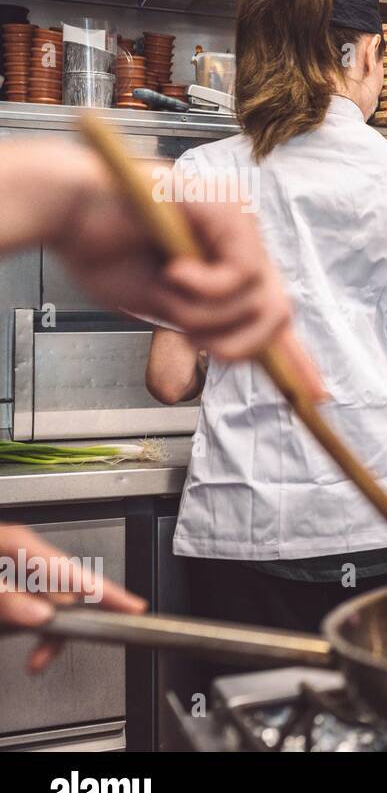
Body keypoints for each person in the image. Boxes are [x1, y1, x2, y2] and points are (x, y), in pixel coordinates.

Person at [145, 0, 387, 632]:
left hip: (248, 525)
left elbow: (167, 376)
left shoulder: (202, 175)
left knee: (255, 730)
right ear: (365, 52)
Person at [0, 133, 319, 669]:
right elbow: (169, 380)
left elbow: (169, 379)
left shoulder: (210, 171)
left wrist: (66, 196)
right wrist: (67, 194)